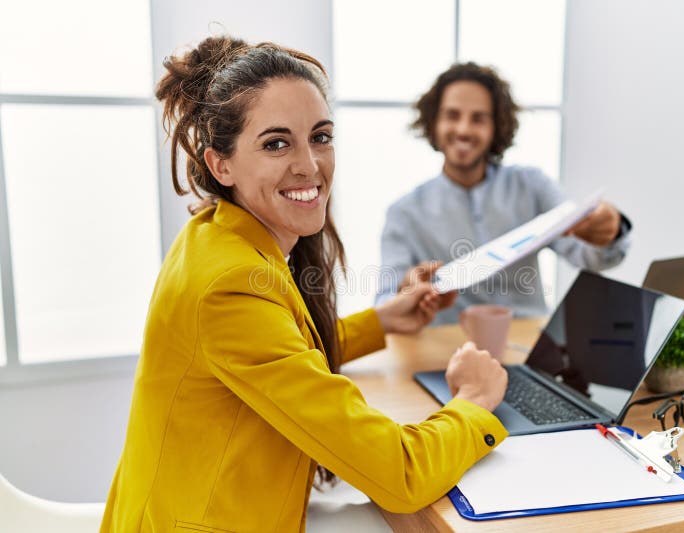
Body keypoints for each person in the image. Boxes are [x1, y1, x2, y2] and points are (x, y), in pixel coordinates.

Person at [100, 37, 508, 532]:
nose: (310, 165)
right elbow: (400, 473)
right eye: (276, 143)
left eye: (320, 136)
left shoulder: (213, 234)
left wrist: (381, 321)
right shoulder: (230, 287)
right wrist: (473, 400)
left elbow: (278, 347)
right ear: (220, 164)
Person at [377, 62, 632, 325]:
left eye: (478, 118)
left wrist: (611, 230)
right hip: (449, 346)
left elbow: (590, 257)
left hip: (530, 342)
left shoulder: (532, 186)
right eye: (452, 115)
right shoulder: (404, 214)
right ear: (434, 122)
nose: (463, 129)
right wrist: (404, 292)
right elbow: (384, 304)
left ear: (496, 126)